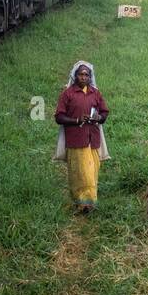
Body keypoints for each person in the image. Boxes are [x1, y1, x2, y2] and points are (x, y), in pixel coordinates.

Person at [53, 61, 109, 213]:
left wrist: (98, 118)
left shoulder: (95, 93)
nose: (83, 77)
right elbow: (59, 117)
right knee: (80, 173)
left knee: (92, 172)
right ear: (75, 76)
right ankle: (81, 202)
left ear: (90, 77)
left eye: (86, 75)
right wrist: (77, 121)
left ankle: (88, 203)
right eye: (81, 74)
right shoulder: (68, 93)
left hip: (93, 139)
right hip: (76, 139)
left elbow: (105, 113)